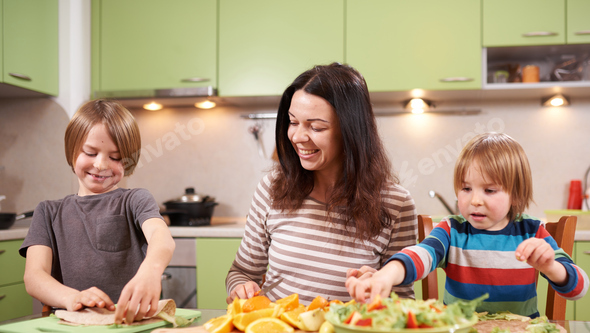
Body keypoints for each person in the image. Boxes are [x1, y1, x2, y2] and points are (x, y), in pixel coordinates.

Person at [225, 63, 417, 305]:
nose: (297, 137)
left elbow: (404, 301)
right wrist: (240, 287)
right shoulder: (271, 189)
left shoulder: (395, 203)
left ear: (351, 132)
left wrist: (379, 290)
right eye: (293, 122)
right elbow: (241, 272)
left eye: (316, 127)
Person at [347, 132, 588, 318]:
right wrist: (386, 276)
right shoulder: (451, 231)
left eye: (490, 190)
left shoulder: (532, 232)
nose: (474, 200)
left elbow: (579, 288)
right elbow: (421, 254)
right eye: (466, 188)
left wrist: (551, 267)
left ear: (515, 195)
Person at [21, 99, 175, 324]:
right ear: (72, 150)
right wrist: (72, 297)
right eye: (90, 153)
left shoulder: (135, 200)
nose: (101, 165)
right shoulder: (48, 212)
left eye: (115, 157)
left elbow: (161, 238)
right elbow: (34, 277)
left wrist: (150, 271)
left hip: (129, 329)